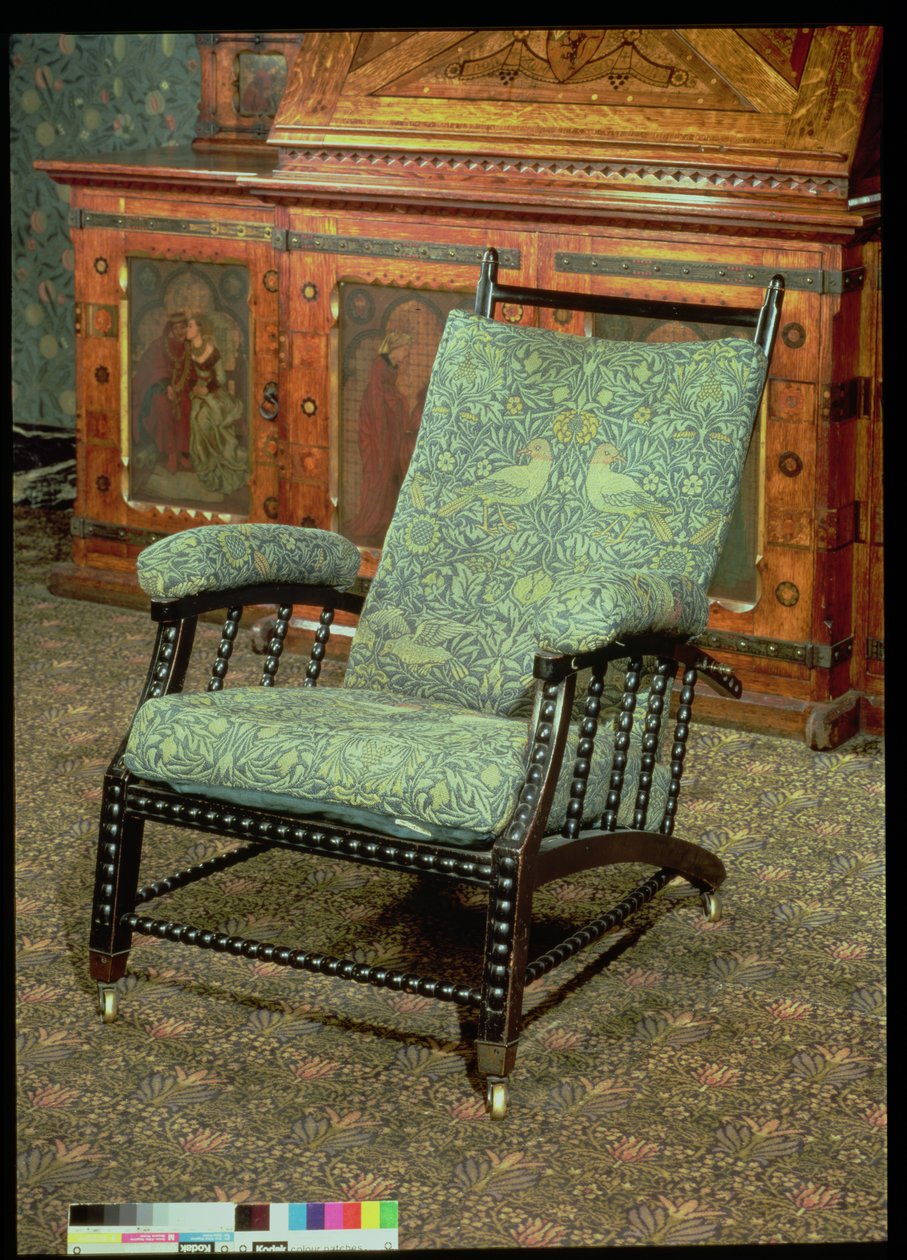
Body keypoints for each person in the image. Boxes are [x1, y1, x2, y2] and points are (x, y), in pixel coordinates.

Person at [345, 331, 414, 546]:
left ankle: (382, 519)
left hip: (387, 426)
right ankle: (368, 521)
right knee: (377, 469)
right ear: (397, 347)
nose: (407, 354)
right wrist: (380, 431)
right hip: (375, 425)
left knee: (388, 471)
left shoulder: (393, 365)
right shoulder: (379, 365)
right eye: (405, 349)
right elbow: (376, 398)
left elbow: (388, 394)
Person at [184, 314, 248, 497]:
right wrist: (195, 388)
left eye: (190, 326)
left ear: (199, 329)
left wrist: (207, 390)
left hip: (215, 394)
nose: (187, 330)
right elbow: (188, 375)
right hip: (198, 393)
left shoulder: (211, 350)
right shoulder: (188, 350)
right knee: (195, 418)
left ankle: (218, 462)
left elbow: (221, 378)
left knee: (204, 419)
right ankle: (203, 464)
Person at [134, 311, 195, 474]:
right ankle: (171, 454)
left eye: (183, 327)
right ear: (171, 330)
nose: (180, 332)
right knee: (162, 406)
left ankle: (182, 452)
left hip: (182, 390)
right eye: (176, 329)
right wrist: (167, 386)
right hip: (159, 388)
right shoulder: (160, 345)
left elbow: (193, 373)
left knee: (185, 405)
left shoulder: (189, 347)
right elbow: (155, 368)